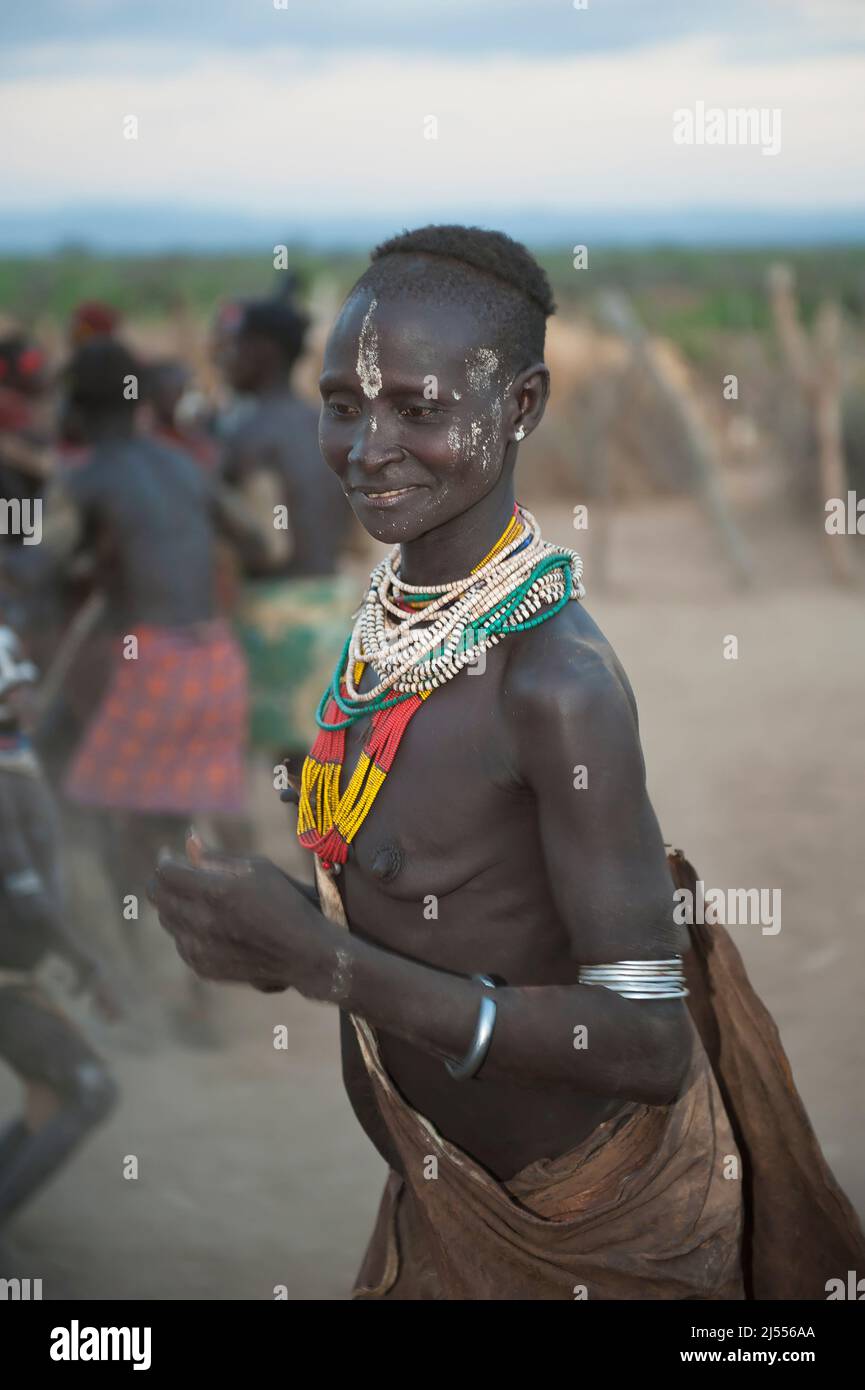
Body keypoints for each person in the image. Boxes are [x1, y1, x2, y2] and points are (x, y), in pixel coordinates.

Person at [152, 225, 865, 1299]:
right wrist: (276, 921)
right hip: (440, 1206)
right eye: (345, 403)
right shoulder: (391, 622)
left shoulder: (554, 685)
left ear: (520, 405)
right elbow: (439, 888)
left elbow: (645, 1041)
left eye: (422, 410)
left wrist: (321, 962)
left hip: (586, 1232)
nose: (367, 446)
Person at [4, 340, 262, 983]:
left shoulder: (84, 476)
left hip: (150, 668)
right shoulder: (185, 466)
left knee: (113, 831)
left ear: (75, 409)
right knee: (183, 822)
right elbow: (259, 539)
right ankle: (215, 981)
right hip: (217, 660)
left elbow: (39, 566)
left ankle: (145, 981)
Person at [0, 623, 118, 1228]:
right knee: (88, 1088)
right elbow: (27, 902)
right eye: (14, 685)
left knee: (50, 1098)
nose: (28, 694)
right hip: (8, 982)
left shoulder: (15, 766)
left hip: (15, 975)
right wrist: (85, 964)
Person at [218, 296, 358, 765]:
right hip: (335, 611)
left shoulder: (246, 434)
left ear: (261, 352)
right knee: (317, 782)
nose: (226, 359)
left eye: (235, 348)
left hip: (271, 620)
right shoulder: (331, 425)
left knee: (237, 775)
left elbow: (265, 549)